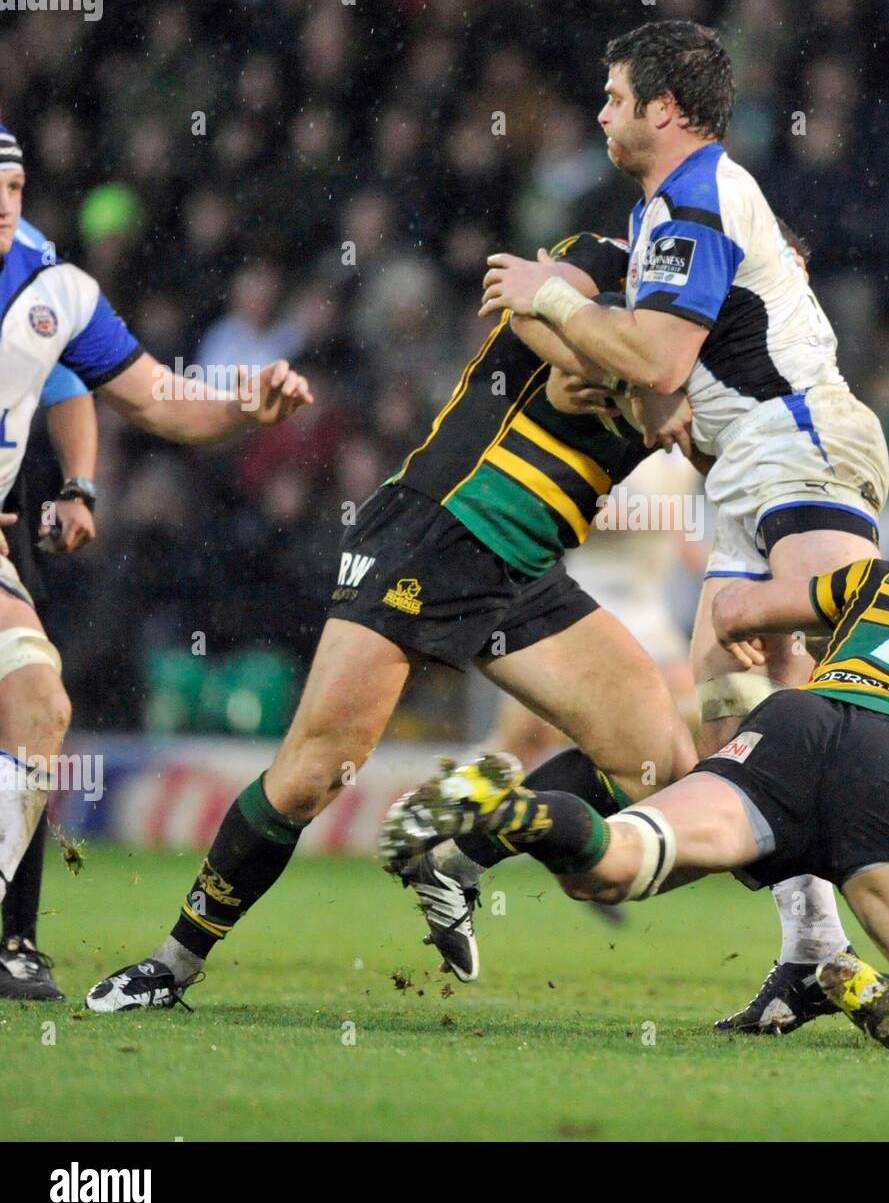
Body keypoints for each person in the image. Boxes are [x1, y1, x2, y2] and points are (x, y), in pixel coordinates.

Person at [85, 230, 698, 1011]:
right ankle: (171, 964)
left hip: (526, 565)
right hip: (437, 528)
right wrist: (612, 366)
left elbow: (685, 425)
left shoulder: (694, 353)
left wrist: (624, 378)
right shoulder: (609, 258)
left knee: (660, 758)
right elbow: (518, 305)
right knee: (313, 775)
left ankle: (457, 859)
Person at [479, 20, 889, 1034]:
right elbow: (663, 375)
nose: (602, 112)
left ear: (664, 108)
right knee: (737, 718)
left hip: (802, 446)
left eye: (615, 96)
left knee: (866, 657)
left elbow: (657, 359)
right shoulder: (680, 203)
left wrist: (550, 301)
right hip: (747, 470)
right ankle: (813, 949)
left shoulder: (698, 195)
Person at [382, 525, 889, 1052]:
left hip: (795, 723)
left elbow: (738, 614)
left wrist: (821, 648)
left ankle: (513, 810)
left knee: (618, 864)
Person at [0, 123, 313, 999]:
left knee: (36, 701)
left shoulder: (48, 284)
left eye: (16, 188)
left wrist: (244, 407)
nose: (4, 205)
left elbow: (156, 398)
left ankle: (11, 940)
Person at [0, 360, 97, 999]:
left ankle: (15, 942)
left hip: (10, 526)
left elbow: (73, 383)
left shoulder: (33, 284)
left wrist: (78, 485)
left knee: (34, 711)